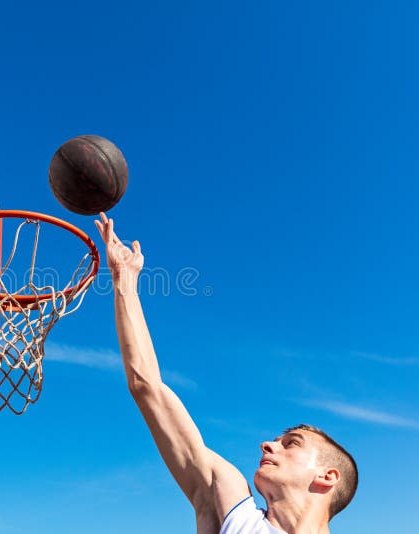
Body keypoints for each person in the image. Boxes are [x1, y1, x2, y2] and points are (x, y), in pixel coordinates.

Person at [94, 213, 358, 534]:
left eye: (291, 444)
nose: (267, 445)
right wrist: (124, 278)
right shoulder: (232, 506)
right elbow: (146, 386)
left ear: (327, 476)